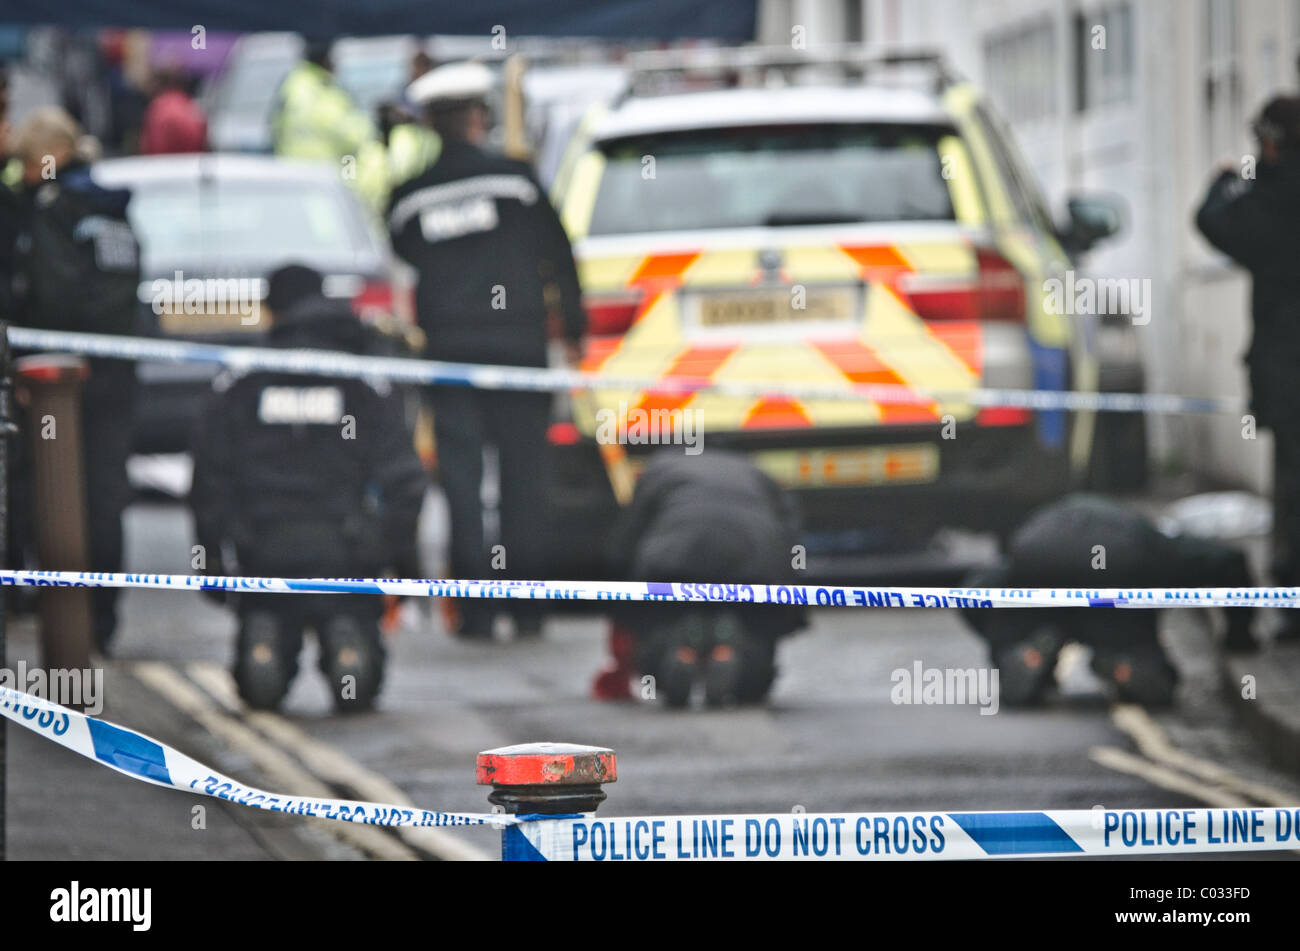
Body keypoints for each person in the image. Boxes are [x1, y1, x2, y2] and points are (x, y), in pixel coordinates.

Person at [388, 61, 586, 640]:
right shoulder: (517, 181)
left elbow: (403, 266)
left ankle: (475, 612)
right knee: (525, 480)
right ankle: (527, 610)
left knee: (462, 484)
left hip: (450, 357)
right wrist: (572, 328)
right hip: (519, 353)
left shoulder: (409, 198)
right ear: (479, 117)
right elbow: (561, 254)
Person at [189, 265, 427, 711]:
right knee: (357, 675)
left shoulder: (241, 379)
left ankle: (266, 640)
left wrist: (212, 561)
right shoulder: (364, 380)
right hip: (348, 554)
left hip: (263, 551)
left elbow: (208, 478)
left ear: (273, 312)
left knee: (260, 683)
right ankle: (347, 638)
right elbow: (405, 482)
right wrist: (403, 569)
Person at [9, 107, 140, 652]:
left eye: (25, 161)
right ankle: (103, 619)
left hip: (59, 380)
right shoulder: (113, 210)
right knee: (105, 497)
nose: (20, 174)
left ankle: (57, 609)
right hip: (115, 376)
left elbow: (53, 297)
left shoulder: (55, 209)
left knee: (47, 493)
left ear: (50, 154)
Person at [960, 494, 1259, 709]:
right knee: (1143, 662)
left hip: (1038, 566)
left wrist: (1001, 641)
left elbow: (971, 594)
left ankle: (1029, 652)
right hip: (1117, 579)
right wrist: (1239, 634)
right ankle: (1125, 663)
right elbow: (1227, 561)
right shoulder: (1153, 540)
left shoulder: (1045, 526)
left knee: (1022, 615)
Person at [1195, 95, 1300, 642]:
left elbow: (1215, 220)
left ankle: (1294, 604)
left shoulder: (1273, 197)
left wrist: (1224, 180)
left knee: (1292, 489)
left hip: (1289, 375)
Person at [598, 450, 807, 708]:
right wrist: (787, 611)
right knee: (754, 666)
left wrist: (624, 599)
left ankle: (680, 649)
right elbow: (790, 535)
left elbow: (628, 537)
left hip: (676, 558)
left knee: (662, 617)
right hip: (755, 560)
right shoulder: (758, 472)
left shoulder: (659, 469)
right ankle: (732, 648)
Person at [271, 40, 387, 214]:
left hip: (294, 178)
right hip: (325, 181)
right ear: (327, 60)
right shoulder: (323, 91)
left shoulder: (290, 86)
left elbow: (275, 129)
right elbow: (354, 135)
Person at [138, 67, 206, 155]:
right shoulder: (187, 103)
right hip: (190, 160)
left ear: (158, 83)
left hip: (162, 162)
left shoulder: (158, 107)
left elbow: (150, 144)